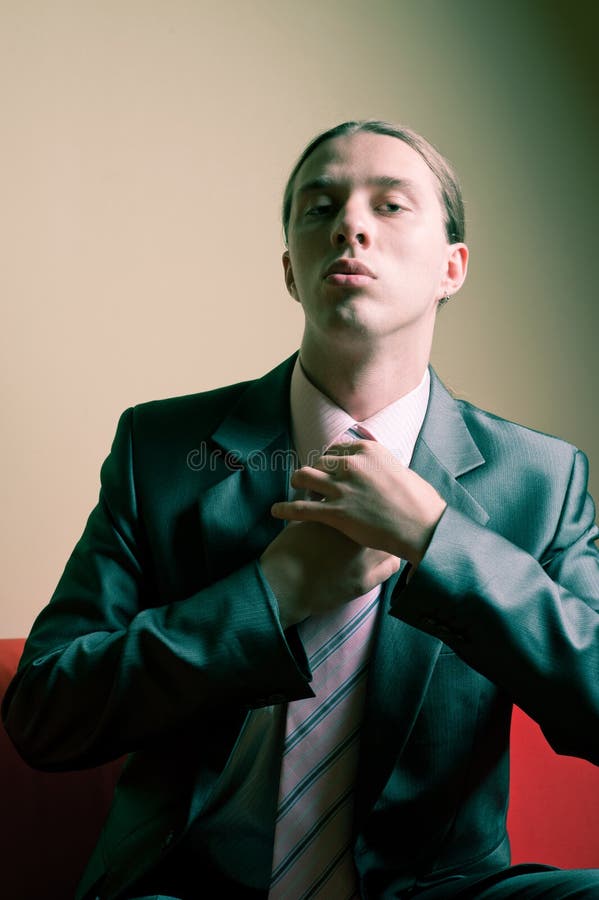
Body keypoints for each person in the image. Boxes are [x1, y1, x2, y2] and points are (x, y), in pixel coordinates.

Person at [3, 120, 599, 900]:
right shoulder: (162, 449)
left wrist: (435, 541)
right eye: (319, 208)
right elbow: (47, 711)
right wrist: (270, 595)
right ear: (292, 270)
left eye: (390, 206)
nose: (350, 223)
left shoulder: (540, 479)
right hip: (194, 887)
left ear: (451, 267)